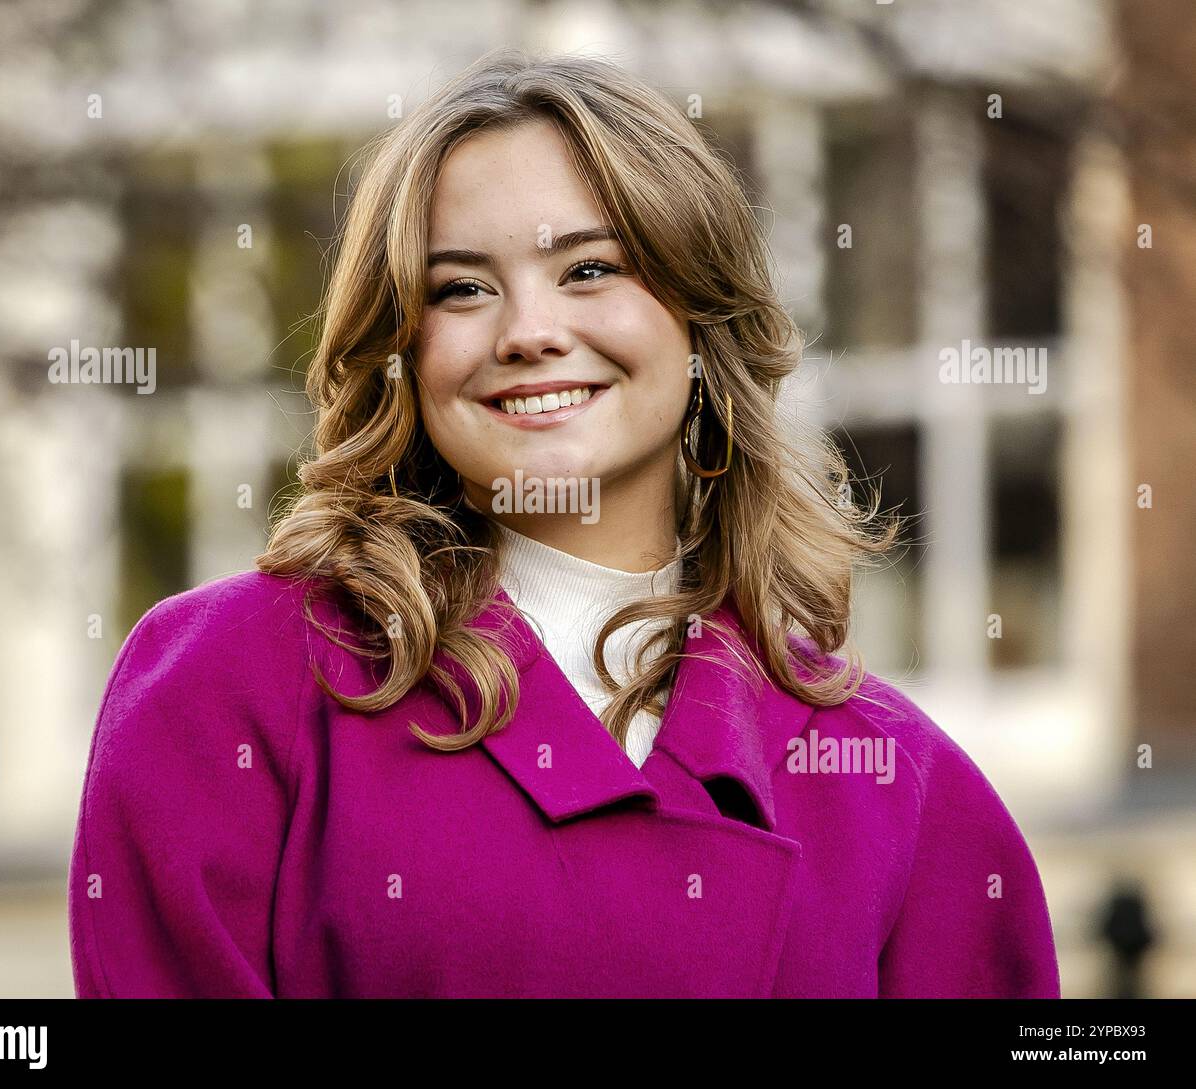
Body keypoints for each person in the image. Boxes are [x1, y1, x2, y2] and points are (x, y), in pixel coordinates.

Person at [68, 49, 1060, 998]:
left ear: (701, 324)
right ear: (401, 351)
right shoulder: (228, 687)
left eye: (589, 269)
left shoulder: (899, 784)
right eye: (460, 288)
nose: (528, 331)